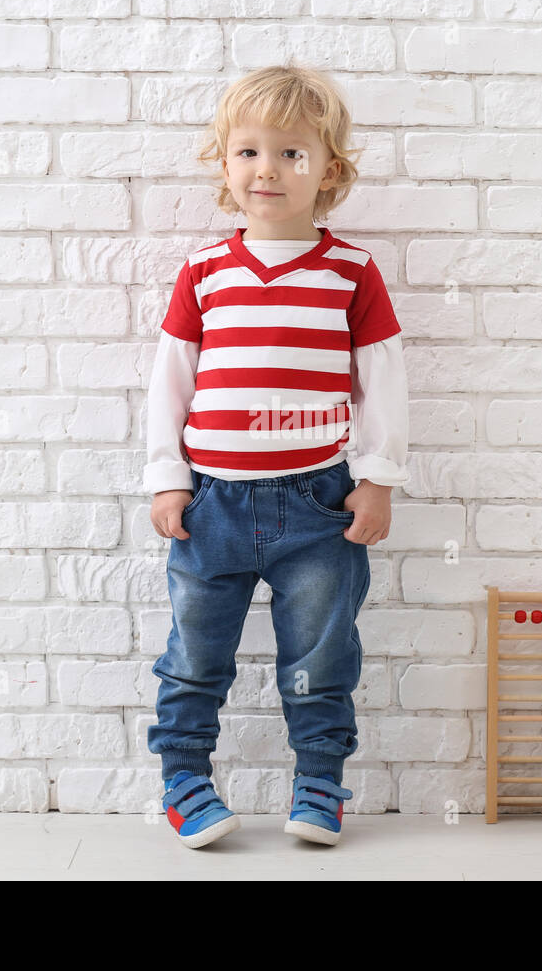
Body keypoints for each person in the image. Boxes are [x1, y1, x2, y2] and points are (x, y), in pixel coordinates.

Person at [143, 65, 409, 848]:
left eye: (292, 154)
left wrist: (377, 479)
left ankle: (320, 783)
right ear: (224, 165)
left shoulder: (350, 272)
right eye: (250, 152)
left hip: (319, 506)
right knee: (195, 655)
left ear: (329, 169)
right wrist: (168, 478)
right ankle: (185, 777)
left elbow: (383, 378)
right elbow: (171, 381)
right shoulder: (205, 272)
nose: (268, 170)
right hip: (212, 505)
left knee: (322, 656)